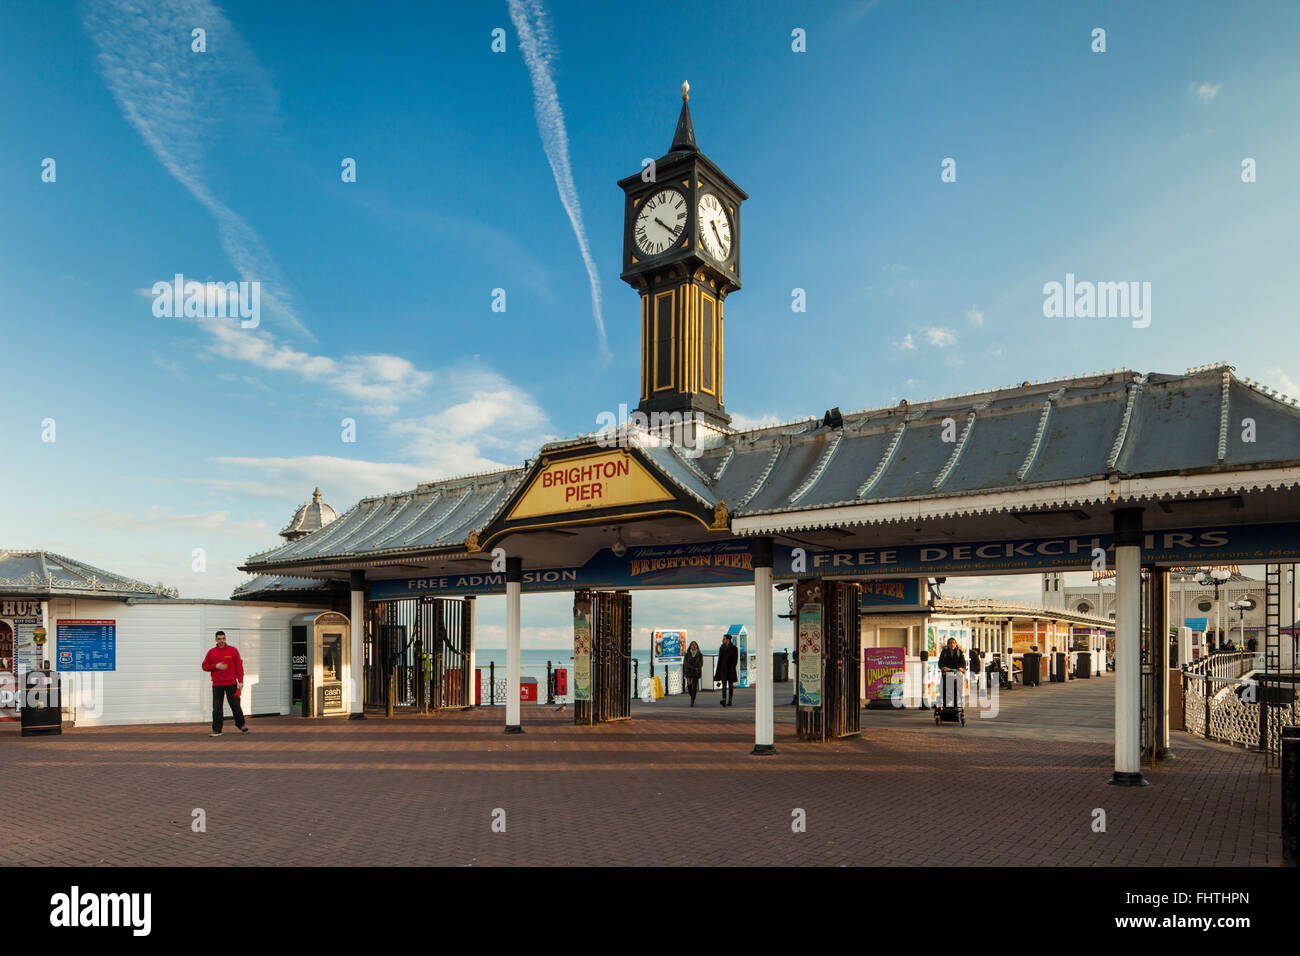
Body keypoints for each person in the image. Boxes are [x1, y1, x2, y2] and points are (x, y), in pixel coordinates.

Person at [202, 630, 247, 736]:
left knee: (235, 705)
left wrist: (240, 681)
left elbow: (239, 667)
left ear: (225, 638)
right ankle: (217, 730)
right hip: (217, 684)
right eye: (219, 639)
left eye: (223, 638)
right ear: (215, 640)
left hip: (231, 683)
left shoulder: (233, 650)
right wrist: (215, 666)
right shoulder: (211, 652)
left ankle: (241, 725)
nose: (222, 641)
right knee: (217, 707)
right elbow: (204, 666)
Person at [937, 637, 966, 709]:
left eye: (953, 643)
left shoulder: (959, 652)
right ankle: (946, 705)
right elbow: (940, 662)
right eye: (950, 643)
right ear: (947, 644)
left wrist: (961, 669)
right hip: (947, 674)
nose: (952, 644)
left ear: (956, 644)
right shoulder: (944, 652)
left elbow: (963, 663)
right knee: (945, 690)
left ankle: (957, 705)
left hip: (957, 675)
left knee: (957, 690)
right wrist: (944, 667)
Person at [714, 633, 739, 706]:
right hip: (723, 669)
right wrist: (718, 670)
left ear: (728, 640)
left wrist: (732, 668)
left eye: (724, 639)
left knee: (730, 685)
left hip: (730, 670)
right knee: (724, 685)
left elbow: (735, 660)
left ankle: (730, 700)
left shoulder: (734, 649)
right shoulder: (721, 648)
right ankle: (724, 699)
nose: (722, 640)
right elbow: (720, 660)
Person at [683, 641, 704, 705]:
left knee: (694, 686)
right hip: (689, 671)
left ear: (697, 646)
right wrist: (692, 667)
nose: (694, 646)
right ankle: (692, 696)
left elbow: (701, 664)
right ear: (690, 646)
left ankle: (692, 700)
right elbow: (685, 663)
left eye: (695, 645)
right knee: (689, 686)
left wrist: (697, 668)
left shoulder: (700, 655)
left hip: (696, 672)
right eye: (692, 645)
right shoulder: (687, 654)